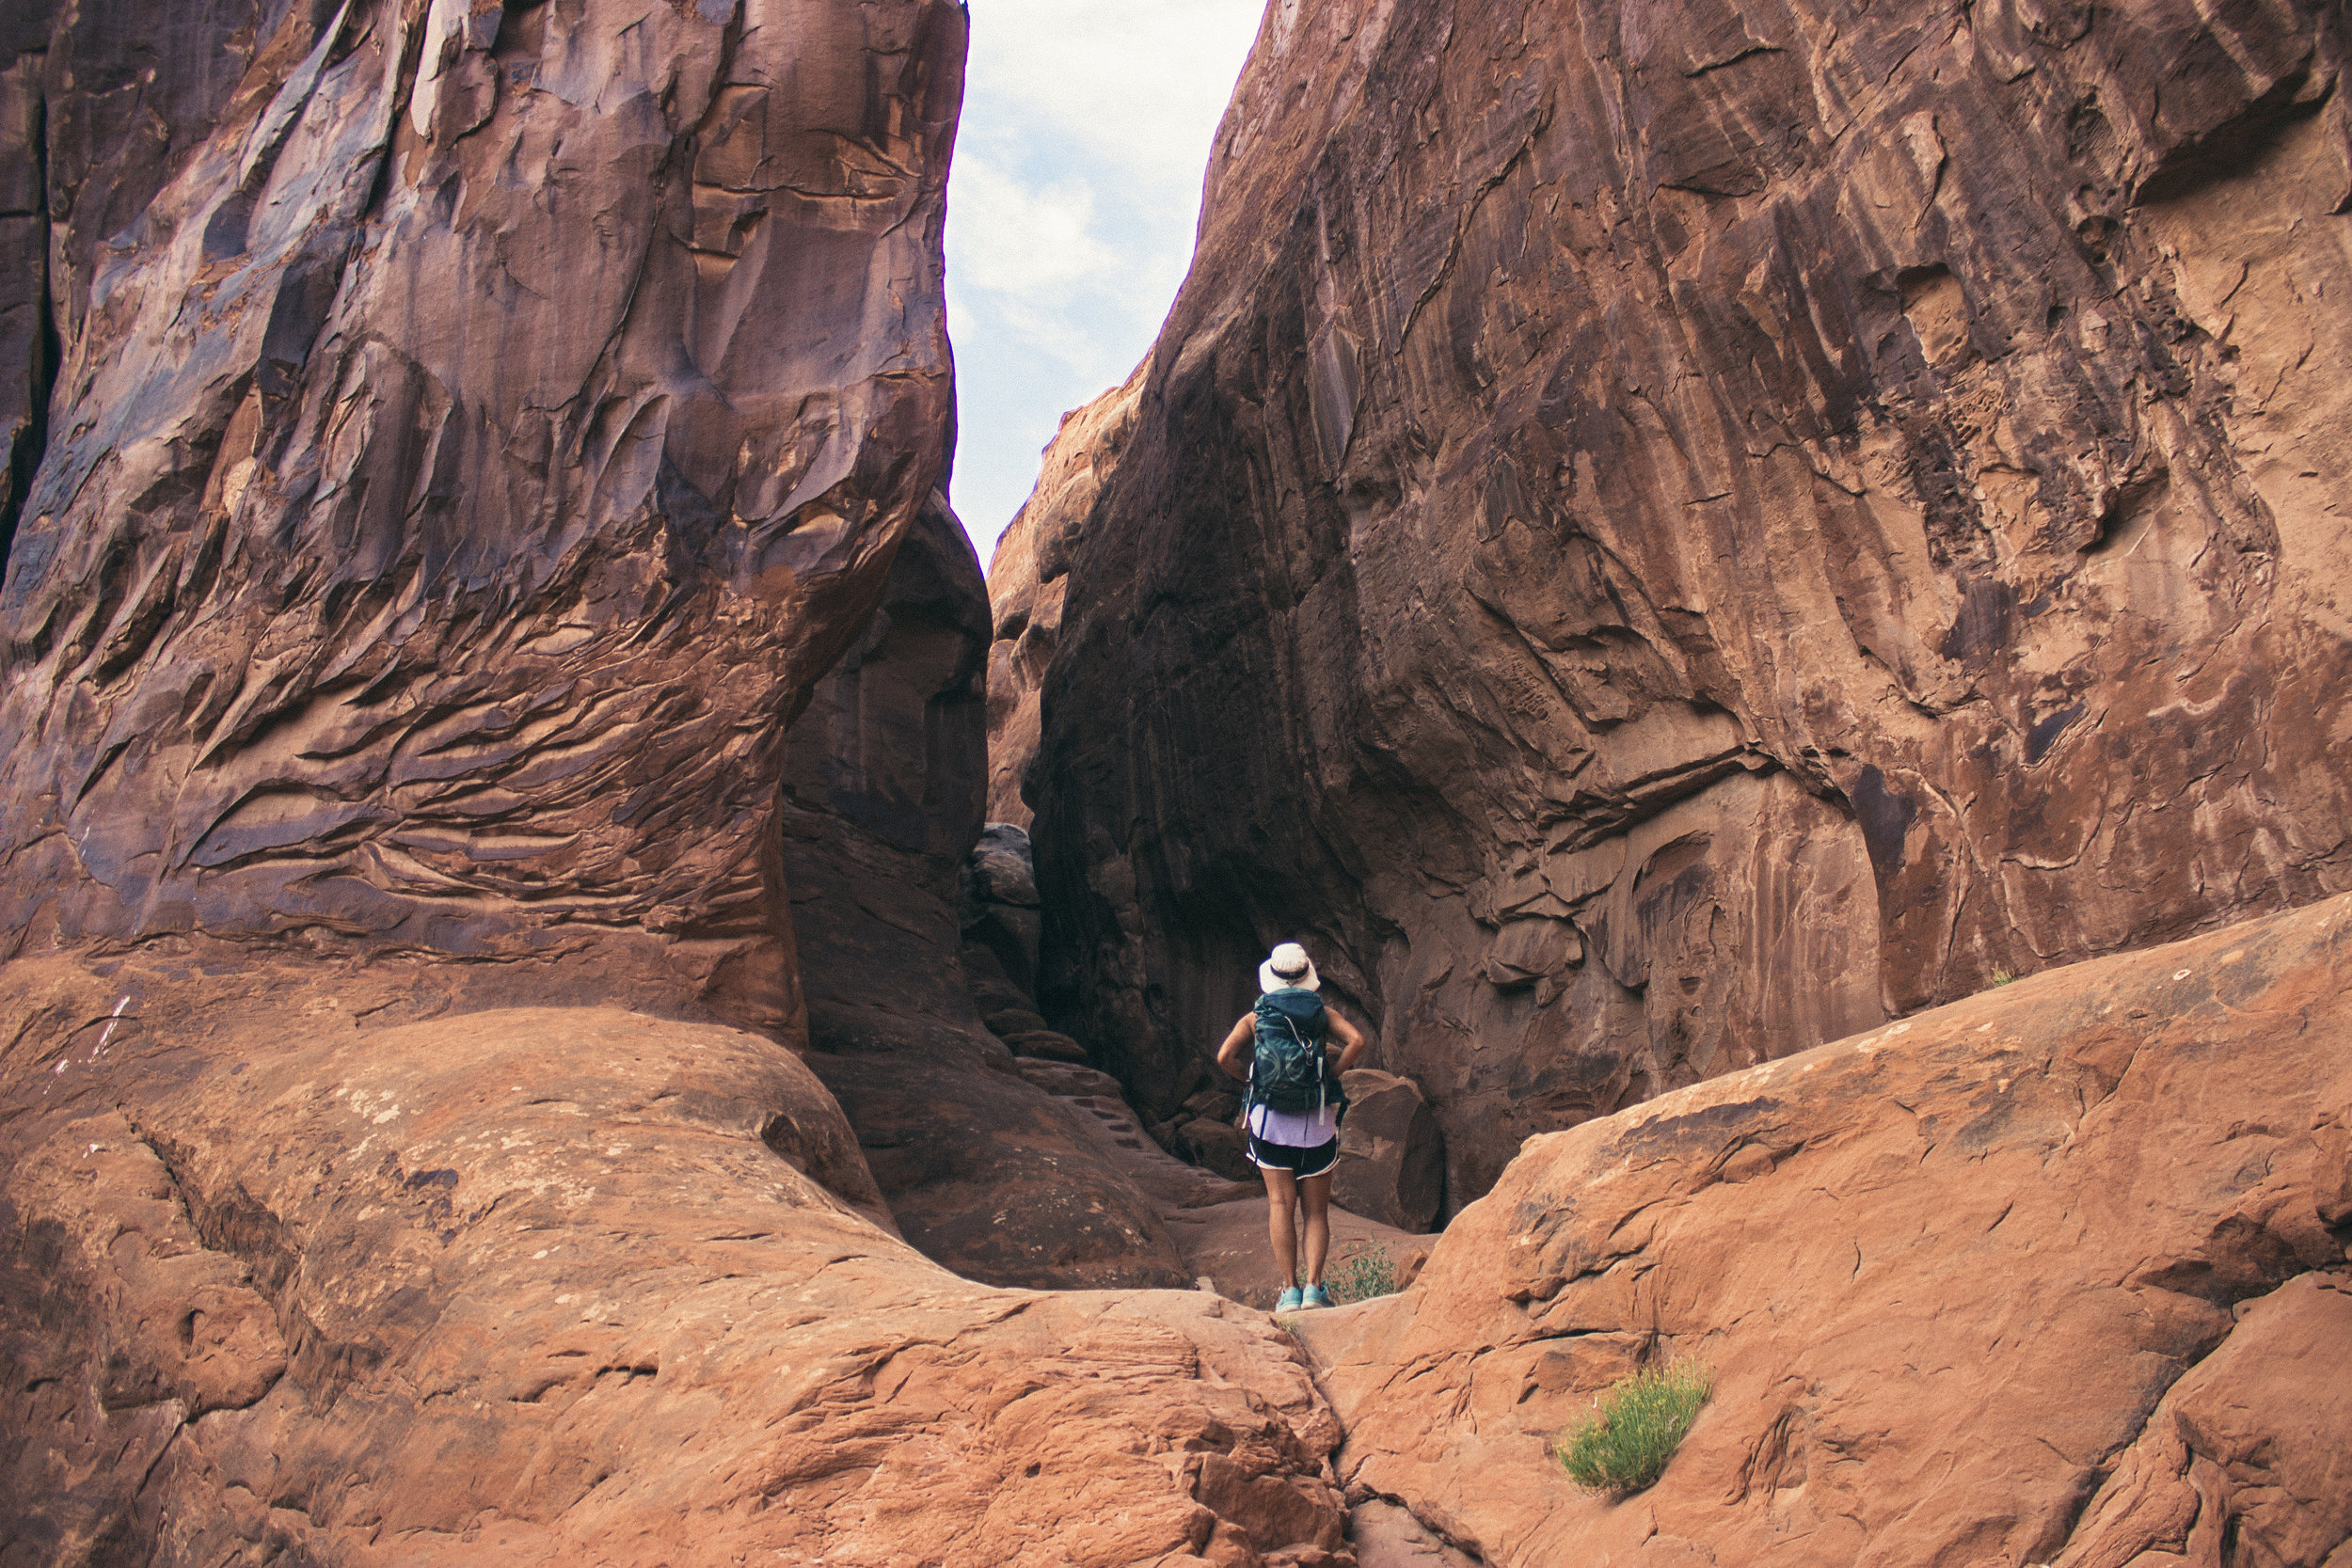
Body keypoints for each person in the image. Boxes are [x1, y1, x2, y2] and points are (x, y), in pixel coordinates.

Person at [1215, 942, 1367, 1310]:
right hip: (1316, 1123)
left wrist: (1250, 1079)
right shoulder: (1322, 1013)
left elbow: (1224, 1056)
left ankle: (1289, 1291)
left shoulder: (1257, 1017)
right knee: (1316, 1212)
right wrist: (1333, 1074)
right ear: (1306, 976)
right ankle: (1314, 1289)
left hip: (1271, 1123)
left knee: (1280, 1204)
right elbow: (1357, 1041)